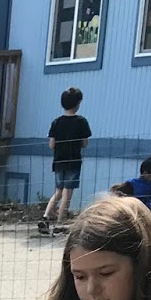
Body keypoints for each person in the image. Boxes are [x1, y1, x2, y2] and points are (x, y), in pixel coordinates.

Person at [38, 87, 91, 235]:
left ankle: (46, 217)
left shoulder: (56, 122)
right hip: (73, 161)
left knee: (58, 191)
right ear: (78, 104)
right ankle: (60, 223)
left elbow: (51, 144)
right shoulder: (81, 122)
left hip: (59, 161)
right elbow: (85, 143)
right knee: (68, 193)